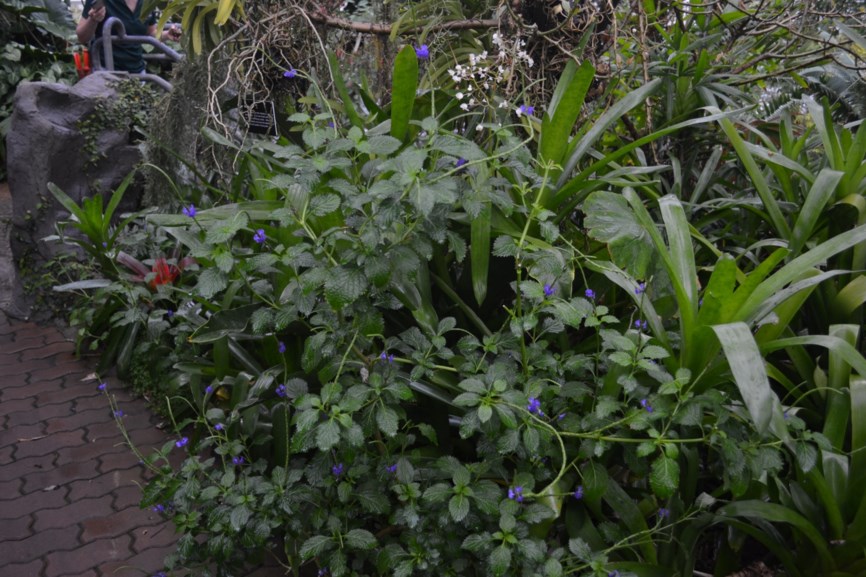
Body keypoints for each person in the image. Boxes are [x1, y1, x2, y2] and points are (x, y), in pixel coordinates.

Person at [76, 0, 181, 74]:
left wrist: (167, 35)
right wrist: (93, 20)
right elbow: (82, 37)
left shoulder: (147, 2)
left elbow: (151, 32)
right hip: (106, 72)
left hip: (137, 71)